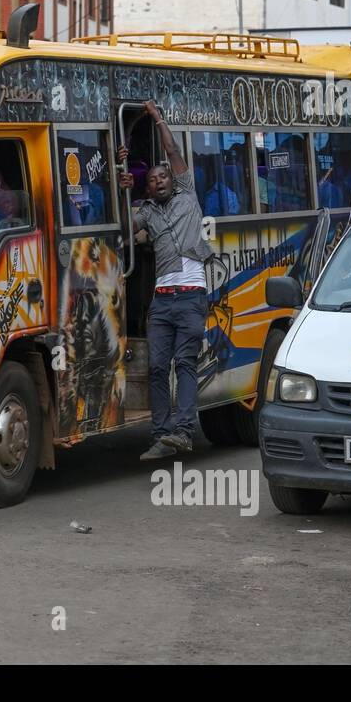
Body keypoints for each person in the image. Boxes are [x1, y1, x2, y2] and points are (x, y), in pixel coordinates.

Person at [118, 101, 215, 460]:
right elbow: (127, 232)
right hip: (162, 300)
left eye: (163, 177)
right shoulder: (147, 212)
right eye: (152, 179)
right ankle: (161, 435)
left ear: (174, 180)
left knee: (184, 364)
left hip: (191, 296)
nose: (158, 181)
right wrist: (123, 189)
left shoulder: (188, 194)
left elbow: (172, 149)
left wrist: (156, 118)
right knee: (158, 367)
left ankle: (184, 431)